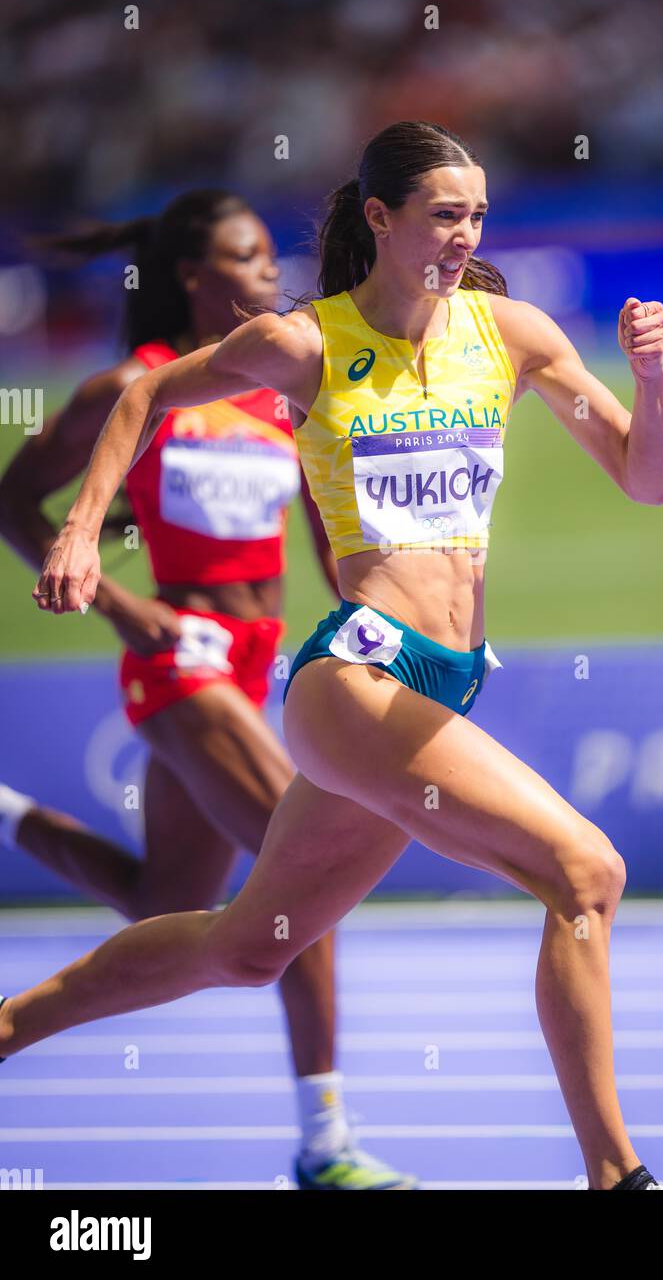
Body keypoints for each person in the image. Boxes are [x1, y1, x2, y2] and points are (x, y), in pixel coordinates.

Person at [1, 121, 663, 1190]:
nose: (464, 237)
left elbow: (645, 481)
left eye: (478, 216)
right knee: (585, 872)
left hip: (441, 685)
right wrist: (83, 527)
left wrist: (647, 379)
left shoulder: (512, 334)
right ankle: (617, 1179)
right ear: (380, 217)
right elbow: (141, 394)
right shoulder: (304, 344)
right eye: (443, 215)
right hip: (356, 679)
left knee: (245, 943)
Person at [0, 188, 415, 1191]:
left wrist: (379, 620)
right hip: (176, 659)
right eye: (246, 256)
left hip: (255, 661)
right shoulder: (131, 389)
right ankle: (326, 1141)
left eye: (276, 258)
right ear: (192, 275)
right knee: (300, 862)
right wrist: (122, 606)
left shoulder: (283, 394)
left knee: (162, 898)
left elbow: (329, 535)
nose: (270, 275)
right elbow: (15, 498)